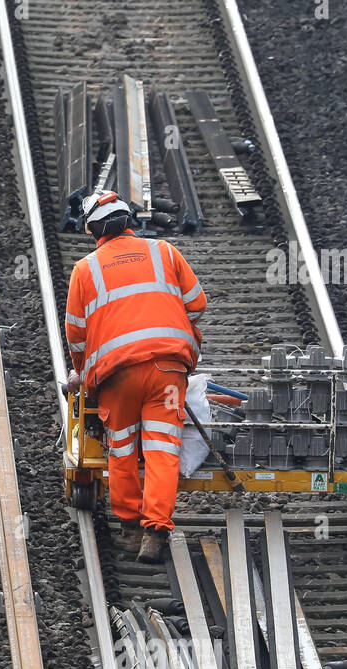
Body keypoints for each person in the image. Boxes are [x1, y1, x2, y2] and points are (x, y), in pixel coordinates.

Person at [64, 191, 207, 563]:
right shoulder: (164, 252)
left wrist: (82, 374)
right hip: (168, 372)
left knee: (123, 449)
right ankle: (155, 531)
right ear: (130, 220)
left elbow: (76, 335)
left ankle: (129, 527)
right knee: (162, 448)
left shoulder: (85, 270)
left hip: (117, 378)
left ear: (92, 229)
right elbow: (198, 305)